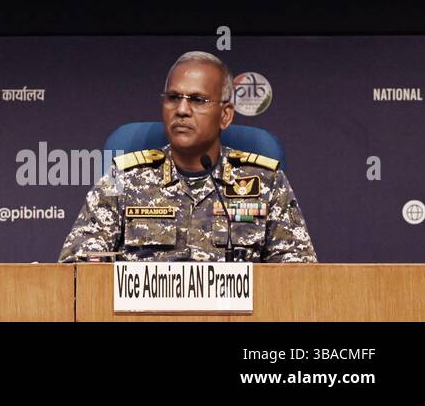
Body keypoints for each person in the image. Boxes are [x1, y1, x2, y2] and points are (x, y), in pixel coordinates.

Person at [59, 51, 316, 263]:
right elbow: (78, 267)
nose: (181, 110)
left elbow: (297, 276)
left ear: (225, 115)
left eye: (197, 100)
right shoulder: (124, 179)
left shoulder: (266, 183)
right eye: (173, 98)